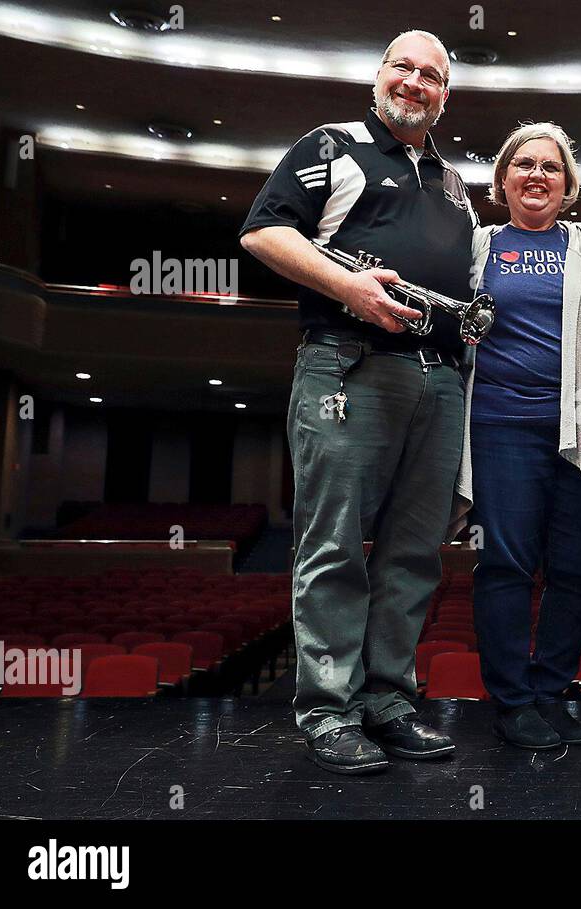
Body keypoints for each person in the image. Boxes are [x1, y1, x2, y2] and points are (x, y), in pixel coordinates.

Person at [239, 29, 473, 775]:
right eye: (401, 67)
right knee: (334, 543)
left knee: (412, 553)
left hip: (438, 377)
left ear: (445, 95)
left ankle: (387, 701)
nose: (413, 82)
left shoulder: (452, 180)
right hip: (348, 364)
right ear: (379, 75)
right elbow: (263, 231)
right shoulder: (331, 144)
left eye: (430, 75)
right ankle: (328, 709)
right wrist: (347, 286)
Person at [452, 122, 581, 749]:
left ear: (568, 186)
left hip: (579, 425)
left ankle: (551, 690)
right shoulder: (479, 246)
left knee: (579, 565)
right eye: (524, 164)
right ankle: (513, 700)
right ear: (502, 180)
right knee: (507, 563)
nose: (537, 175)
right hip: (500, 425)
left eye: (551, 167)